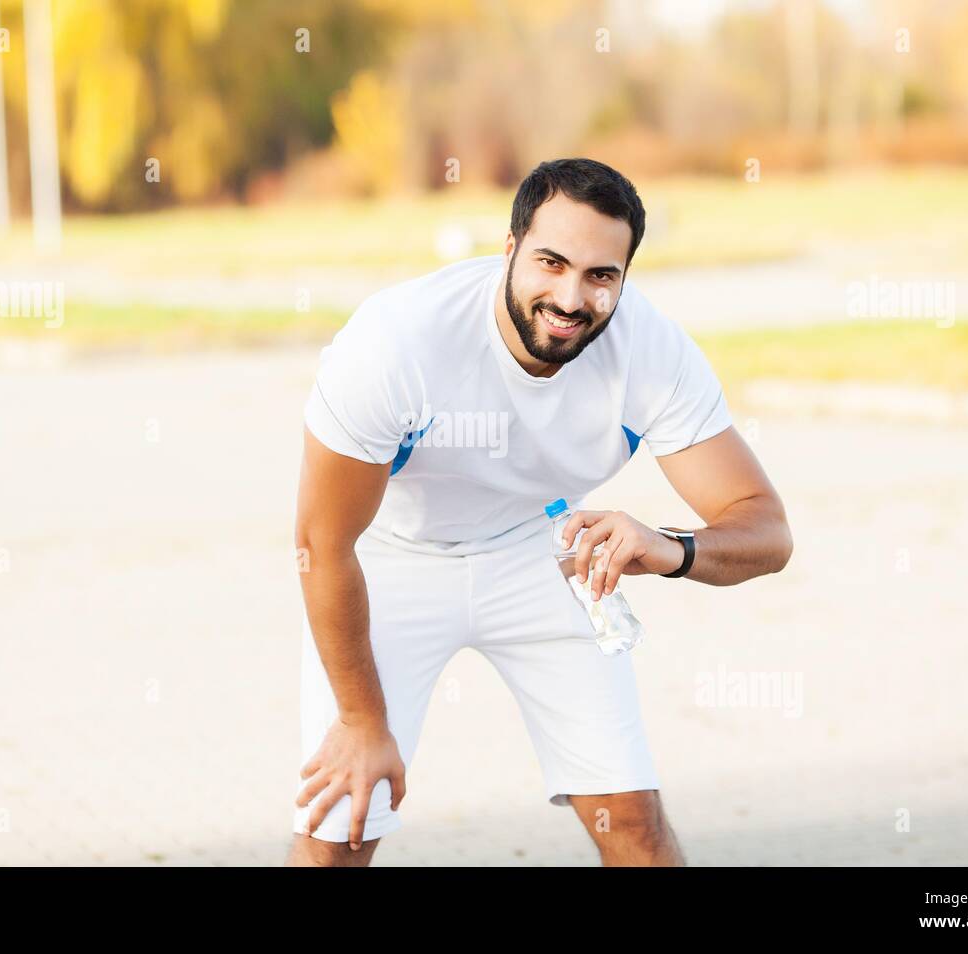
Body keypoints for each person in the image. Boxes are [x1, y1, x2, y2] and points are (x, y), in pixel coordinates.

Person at [285, 157, 792, 867]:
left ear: (623, 279)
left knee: (633, 822)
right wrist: (361, 719)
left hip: (541, 552)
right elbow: (320, 544)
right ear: (509, 249)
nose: (570, 295)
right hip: (389, 561)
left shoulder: (649, 349)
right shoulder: (396, 343)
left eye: (600, 276)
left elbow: (766, 528)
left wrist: (669, 545)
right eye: (551, 262)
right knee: (344, 820)